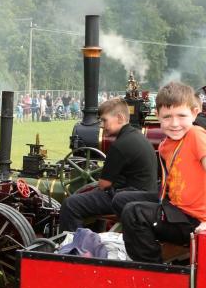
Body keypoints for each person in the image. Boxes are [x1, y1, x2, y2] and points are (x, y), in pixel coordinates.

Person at [116, 81, 206, 264]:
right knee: (121, 198)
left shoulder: (196, 135)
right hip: (178, 207)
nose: (175, 124)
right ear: (157, 115)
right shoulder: (165, 145)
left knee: (133, 213)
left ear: (194, 113)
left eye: (181, 116)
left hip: (194, 219)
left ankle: (152, 267)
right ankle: (152, 244)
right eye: (167, 117)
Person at [59, 98, 157, 233]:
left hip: (127, 197)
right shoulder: (139, 138)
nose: (101, 125)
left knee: (71, 204)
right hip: (145, 194)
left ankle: (74, 247)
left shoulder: (120, 145)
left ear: (120, 118)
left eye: (104, 120)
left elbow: (103, 184)